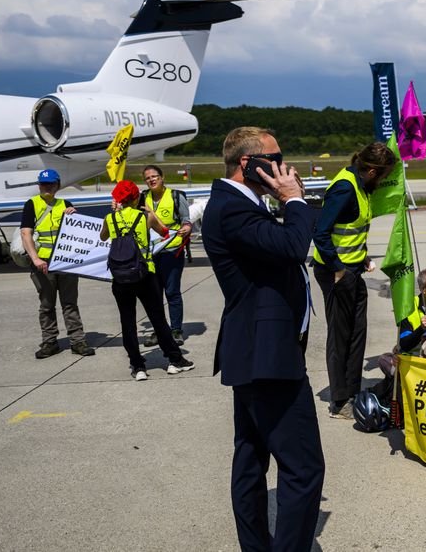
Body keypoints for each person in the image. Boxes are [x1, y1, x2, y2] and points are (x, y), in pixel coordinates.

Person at [203, 126, 324, 551]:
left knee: (252, 459)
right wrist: (293, 200)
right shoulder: (233, 209)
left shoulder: (241, 203)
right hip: (266, 357)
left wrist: (282, 202)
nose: (281, 165)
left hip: (257, 351)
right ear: (246, 163)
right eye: (273, 158)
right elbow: (292, 247)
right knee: (303, 468)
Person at [312, 142, 398, 419]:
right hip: (336, 273)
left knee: (357, 333)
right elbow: (321, 232)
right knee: (340, 337)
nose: (384, 181)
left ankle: (352, 389)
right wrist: (338, 269)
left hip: (352, 270)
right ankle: (339, 401)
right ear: (372, 171)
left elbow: (348, 231)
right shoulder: (345, 187)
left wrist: (361, 258)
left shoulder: (361, 186)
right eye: (383, 176)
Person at [99, 180, 195, 381]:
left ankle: (138, 365)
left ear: (118, 199)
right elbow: (164, 232)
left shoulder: (110, 218)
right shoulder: (145, 216)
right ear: (136, 197)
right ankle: (174, 360)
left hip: (120, 277)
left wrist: (115, 213)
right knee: (158, 319)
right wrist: (151, 212)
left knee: (128, 322)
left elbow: (103, 236)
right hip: (145, 274)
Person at [20, 168, 93, 359]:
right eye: (43, 184)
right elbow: (25, 233)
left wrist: (74, 217)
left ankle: (78, 341)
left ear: (57, 185)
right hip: (43, 264)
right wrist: (35, 258)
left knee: (70, 304)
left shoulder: (65, 204)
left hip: (66, 262)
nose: (47, 187)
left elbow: (78, 234)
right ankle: (49, 342)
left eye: (51, 184)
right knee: (47, 305)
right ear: (39, 185)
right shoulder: (32, 204)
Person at [141, 165, 193, 346]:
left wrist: (186, 228)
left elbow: (186, 220)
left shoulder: (176, 196)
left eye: (155, 176)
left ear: (162, 178)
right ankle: (159, 331)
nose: (151, 180)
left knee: (171, 291)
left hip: (172, 251)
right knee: (154, 294)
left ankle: (176, 330)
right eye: (148, 178)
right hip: (150, 253)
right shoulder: (142, 197)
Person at [376, 268, 426, 378]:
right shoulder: (409, 308)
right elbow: (404, 344)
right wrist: (421, 329)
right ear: (423, 289)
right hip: (415, 363)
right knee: (385, 359)